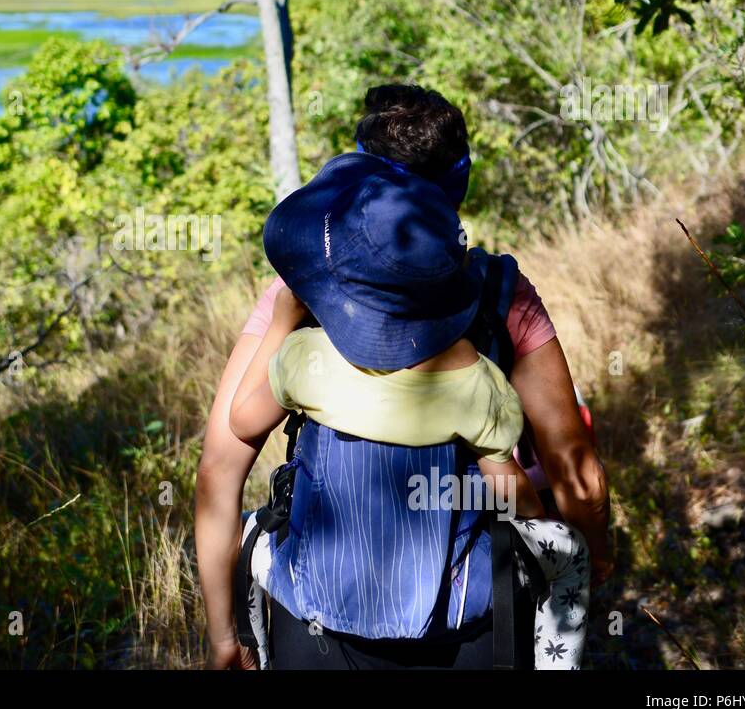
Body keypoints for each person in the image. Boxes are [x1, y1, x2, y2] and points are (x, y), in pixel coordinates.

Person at [195, 84, 613, 670]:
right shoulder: (500, 295)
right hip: (472, 619)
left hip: (314, 619)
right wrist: (594, 553)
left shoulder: (297, 299)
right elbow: (578, 476)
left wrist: (223, 637)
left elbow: (219, 469)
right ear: (456, 186)